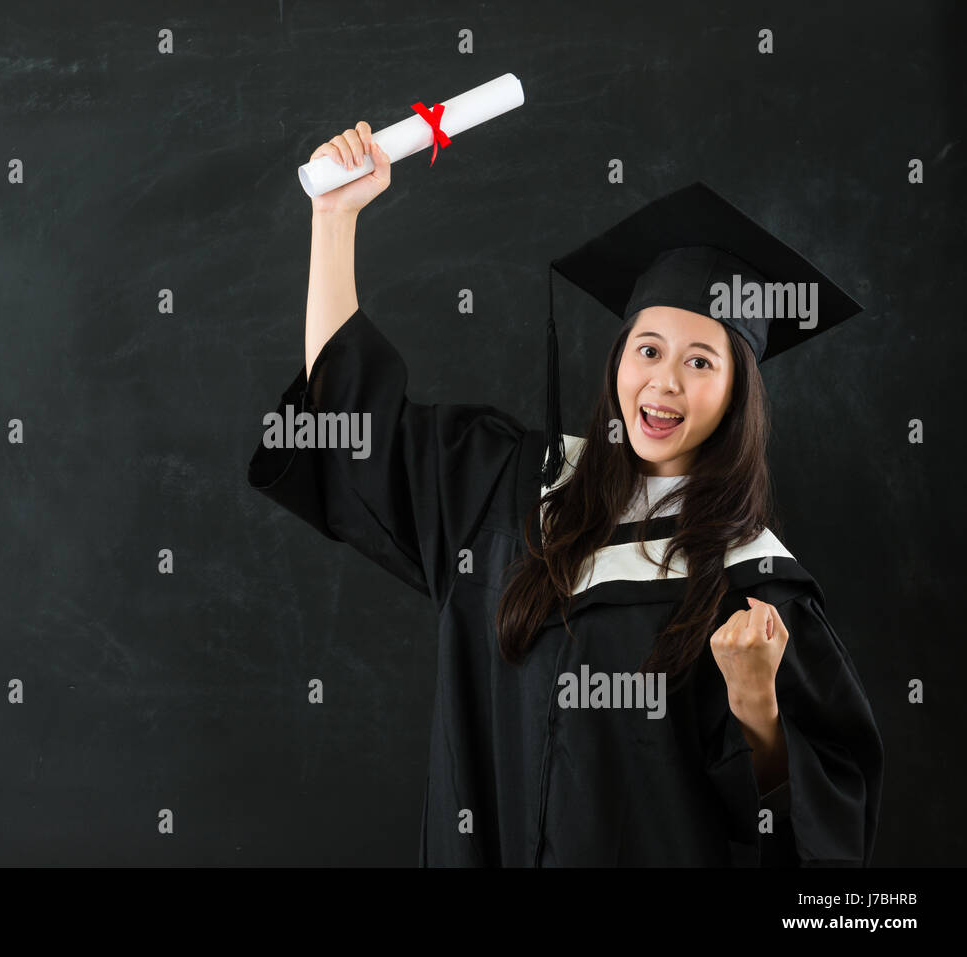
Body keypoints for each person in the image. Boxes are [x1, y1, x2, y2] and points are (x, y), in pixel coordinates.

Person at [247, 120, 883, 867]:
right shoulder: (511, 486)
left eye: (702, 361)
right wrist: (334, 219)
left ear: (739, 394)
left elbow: (815, 838)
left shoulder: (752, 586)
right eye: (648, 349)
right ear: (619, 358)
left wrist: (756, 705)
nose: (665, 381)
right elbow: (354, 430)